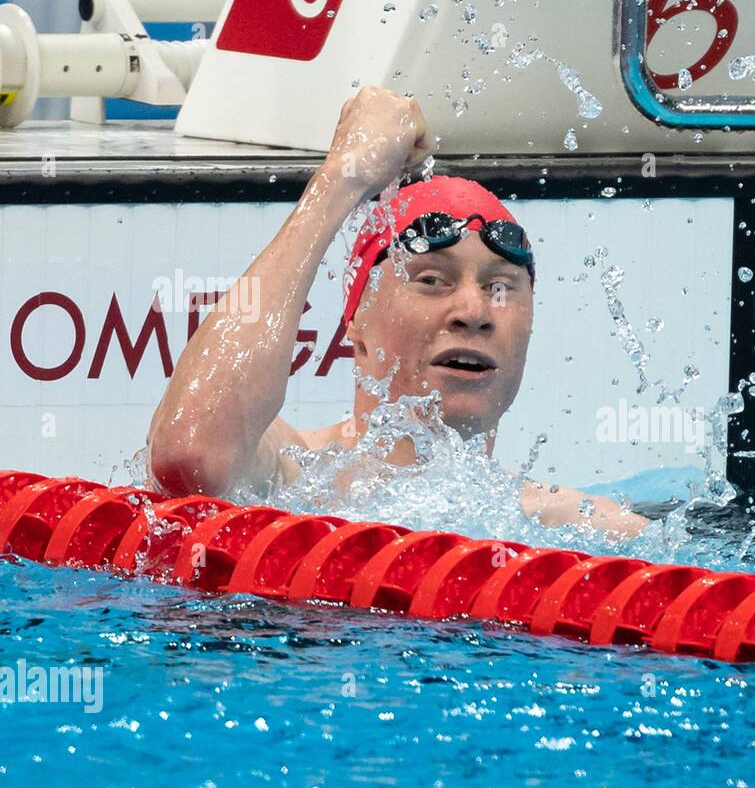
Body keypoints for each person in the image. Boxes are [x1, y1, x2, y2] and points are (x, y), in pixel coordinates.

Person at [147, 86, 648, 537]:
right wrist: (344, 176)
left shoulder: (588, 531)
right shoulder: (286, 477)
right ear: (356, 325)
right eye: (432, 280)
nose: (474, 311)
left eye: (500, 286)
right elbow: (190, 453)